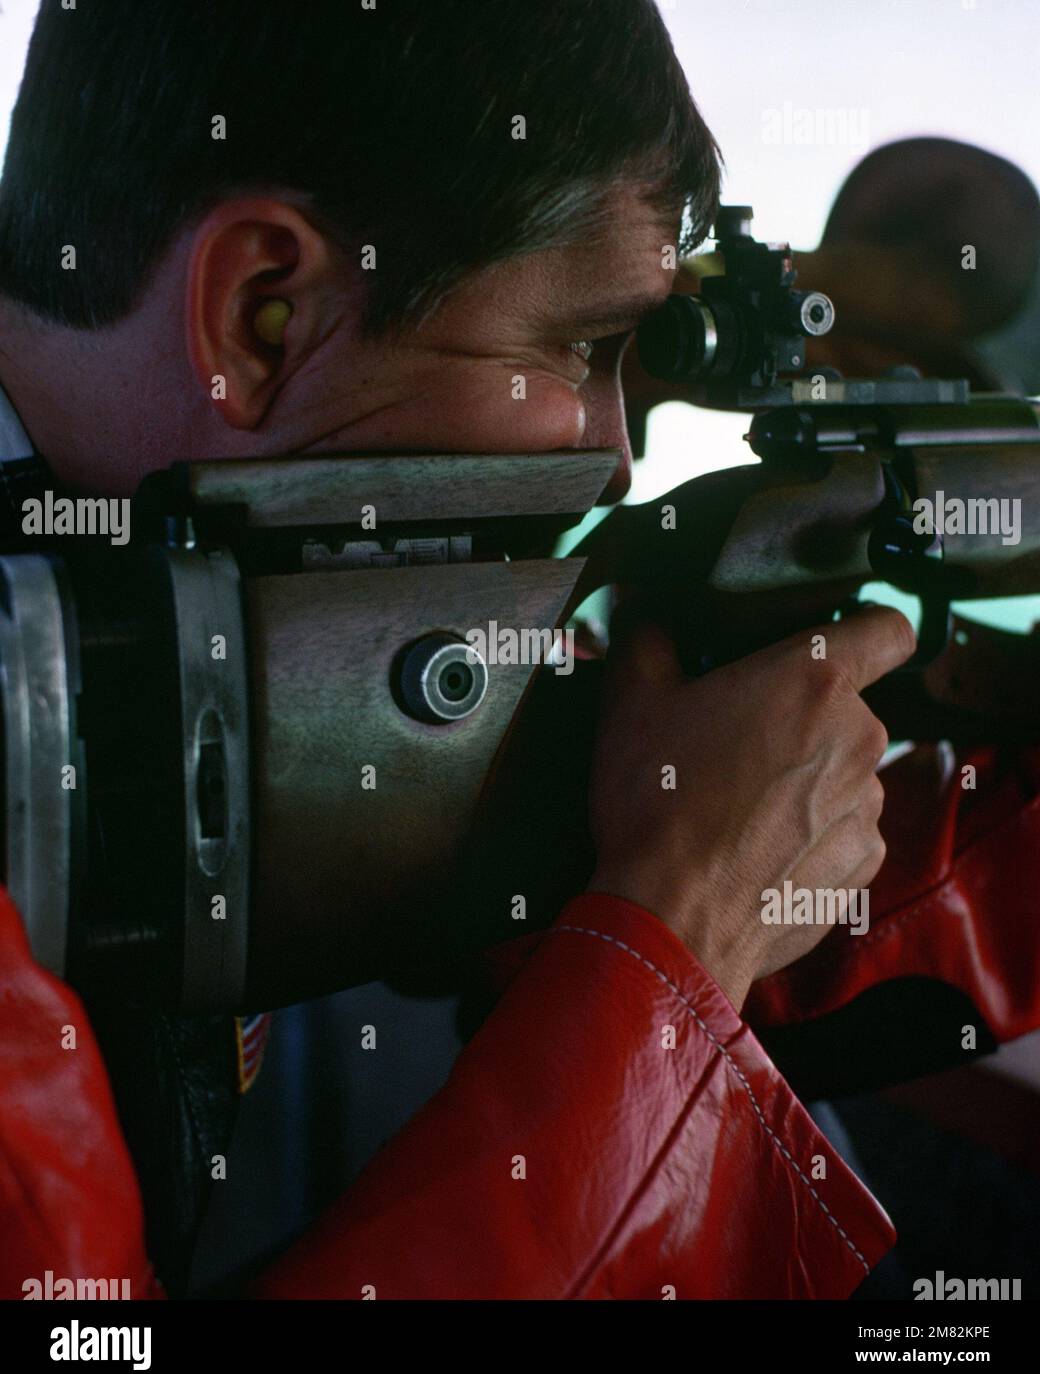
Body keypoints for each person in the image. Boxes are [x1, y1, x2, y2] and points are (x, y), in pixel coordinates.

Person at [1, 0, 1038, 1301]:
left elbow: (532, 884)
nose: (617, 449)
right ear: (263, 312)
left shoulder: (160, 603)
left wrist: (726, 847)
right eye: (583, 346)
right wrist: (684, 925)